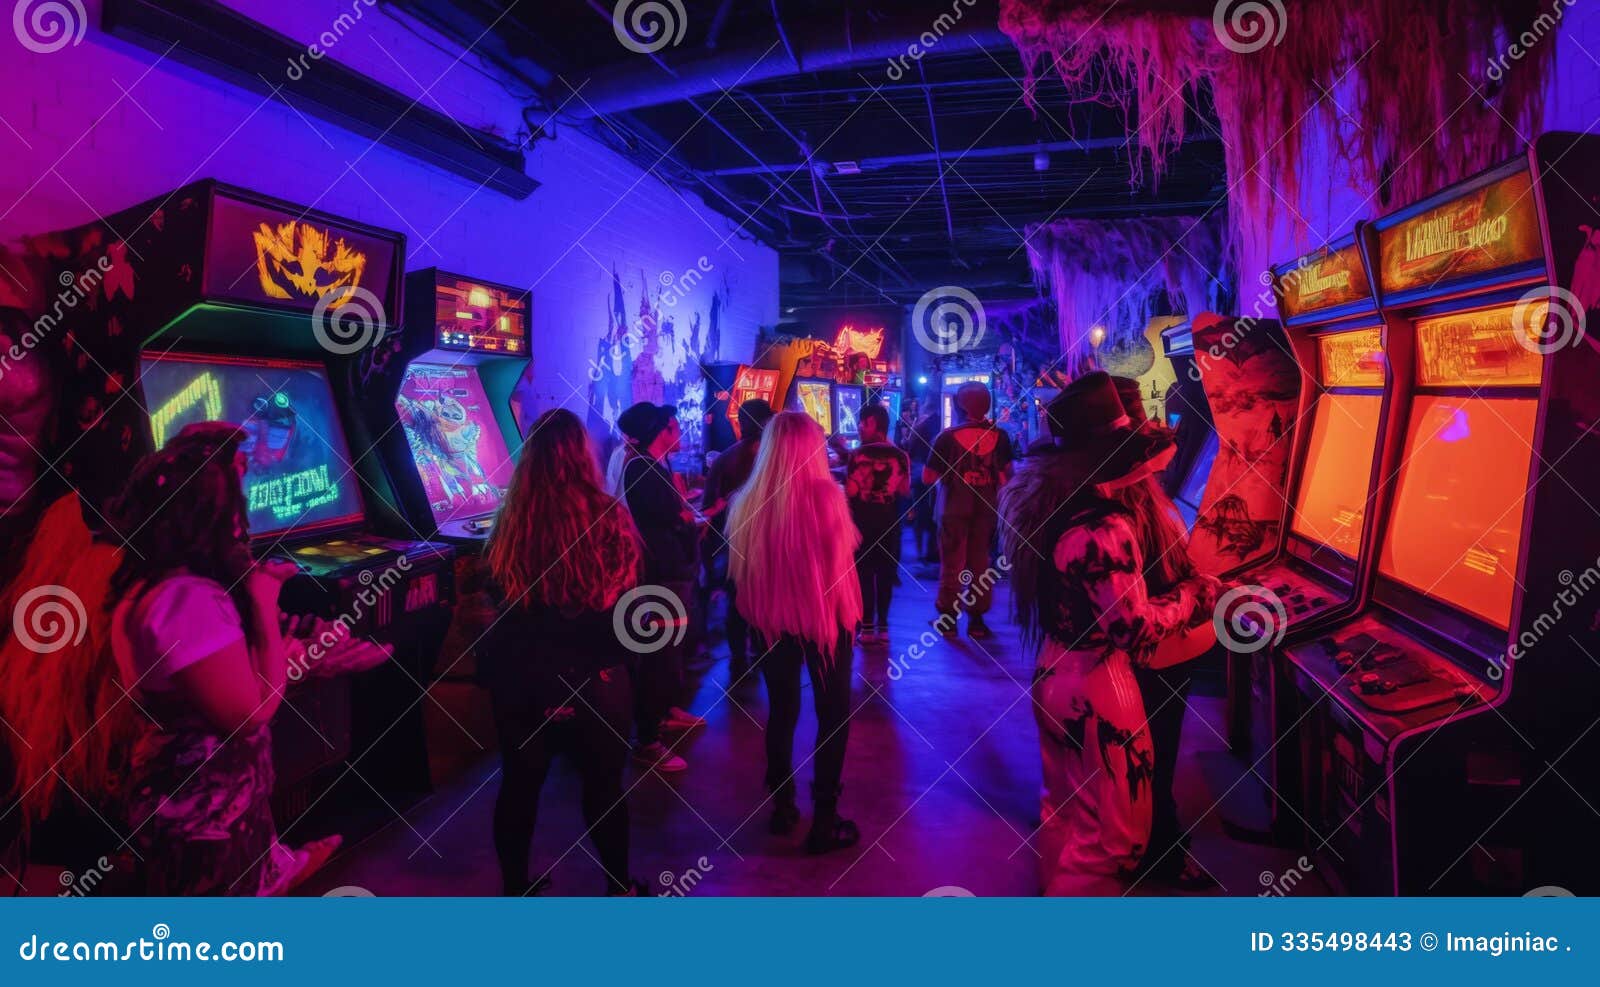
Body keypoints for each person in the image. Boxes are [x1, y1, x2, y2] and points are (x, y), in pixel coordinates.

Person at [1000, 373, 1220, 896]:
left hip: (1056, 667)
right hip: (1100, 680)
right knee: (1115, 840)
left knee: (1066, 810)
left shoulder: (1054, 502)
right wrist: (1198, 592)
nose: (1148, 460)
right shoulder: (1104, 525)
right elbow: (1133, 628)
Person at [105, 423, 340, 895]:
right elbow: (250, 715)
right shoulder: (186, 600)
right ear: (207, 508)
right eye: (236, 482)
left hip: (203, 811)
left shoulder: (156, 583)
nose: (245, 504)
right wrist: (264, 597)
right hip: (201, 822)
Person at [480, 408, 650, 897]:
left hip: (522, 674)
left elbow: (496, 591)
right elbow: (619, 595)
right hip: (594, 673)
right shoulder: (608, 514)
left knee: (519, 786)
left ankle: (516, 887)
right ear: (582, 453)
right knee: (603, 789)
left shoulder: (509, 518)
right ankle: (619, 889)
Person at [726, 412, 863, 854]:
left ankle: (782, 806)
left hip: (771, 620)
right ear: (810, 448)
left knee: (782, 710)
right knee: (832, 713)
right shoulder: (827, 496)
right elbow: (840, 575)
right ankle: (825, 818)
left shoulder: (747, 500)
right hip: (825, 621)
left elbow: (742, 576)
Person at [1109, 376, 1216, 889]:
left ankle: (1160, 844)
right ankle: (1159, 854)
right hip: (1155, 651)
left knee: (1153, 755)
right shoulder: (1119, 510)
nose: (1163, 455)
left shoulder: (1130, 497)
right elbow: (1136, 617)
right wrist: (1196, 593)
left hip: (1156, 650)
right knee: (1155, 754)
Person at [617, 401, 705, 773]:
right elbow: (675, 519)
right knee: (656, 656)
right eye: (672, 426)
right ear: (658, 431)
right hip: (657, 575)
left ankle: (664, 715)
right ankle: (647, 740)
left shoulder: (650, 466)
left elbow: (679, 517)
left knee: (668, 653)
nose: (680, 433)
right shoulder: (641, 469)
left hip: (669, 571)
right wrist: (691, 519)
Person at [924, 381, 1013, 638]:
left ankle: (948, 620)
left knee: (952, 564)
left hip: (953, 510)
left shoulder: (946, 438)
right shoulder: (1000, 436)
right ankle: (977, 622)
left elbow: (929, 476)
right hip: (986, 511)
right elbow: (1008, 475)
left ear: (961, 406)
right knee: (980, 564)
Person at [700, 399, 775, 683]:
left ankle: (738, 658)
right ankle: (761, 652)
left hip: (734, 543)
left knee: (738, 602)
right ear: (766, 423)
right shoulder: (773, 459)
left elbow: (709, 508)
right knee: (764, 602)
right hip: (769, 543)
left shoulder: (724, 459)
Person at [844, 403, 910, 643]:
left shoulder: (857, 455)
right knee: (885, 574)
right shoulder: (901, 456)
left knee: (863, 573)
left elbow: (850, 491)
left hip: (862, 524)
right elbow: (904, 490)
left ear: (872, 423)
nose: (860, 427)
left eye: (863, 423)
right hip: (889, 523)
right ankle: (883, 626)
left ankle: (867, 626)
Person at [905, 402, 941, 561]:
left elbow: (909, 451)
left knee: (920, 515)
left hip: (916, 473)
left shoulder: (917, 426)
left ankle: (922, 552)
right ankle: (930, 551)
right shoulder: (931, 426)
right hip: (927, 474)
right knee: (931, 515)